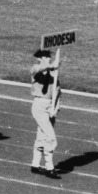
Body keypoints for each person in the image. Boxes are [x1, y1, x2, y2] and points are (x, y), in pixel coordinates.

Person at [28, 48, 62, 179]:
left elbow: (58, 91)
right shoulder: (36, 68)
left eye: (49, 56)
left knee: (42, 136)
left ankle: (35, 164)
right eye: (45, 56)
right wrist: (51, 66)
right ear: (39, 58)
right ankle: (49, 167)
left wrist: (56, 107)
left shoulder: (54, 73)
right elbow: (36, 70)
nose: (48, 57)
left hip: (50, 106)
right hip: (40, 106)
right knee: (50, 136)